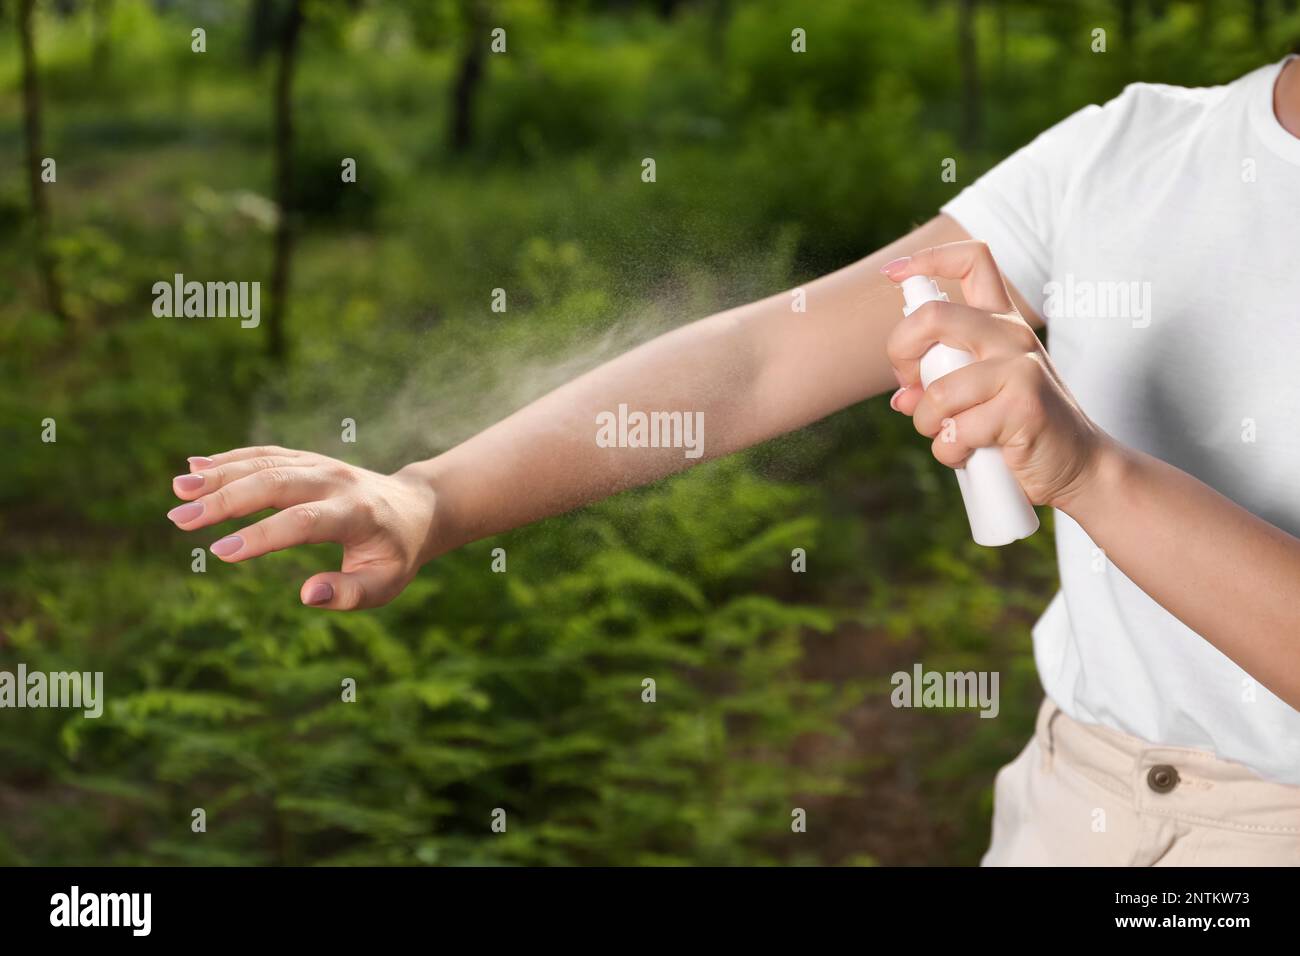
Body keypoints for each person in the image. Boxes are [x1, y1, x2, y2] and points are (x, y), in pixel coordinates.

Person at [167, 55, 1300, 865]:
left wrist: (1090, 474)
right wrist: (429, 494)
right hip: (1072, 804)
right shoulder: (1131, 148)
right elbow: (764, 356)